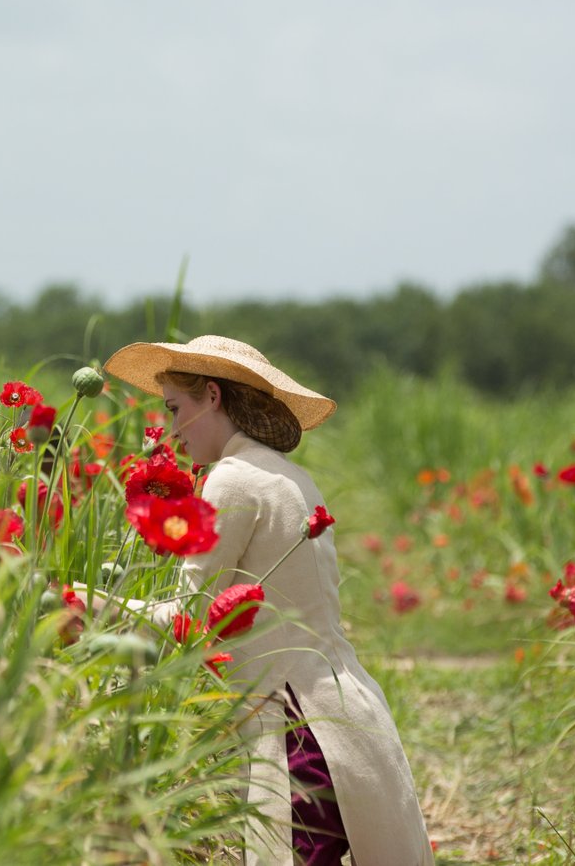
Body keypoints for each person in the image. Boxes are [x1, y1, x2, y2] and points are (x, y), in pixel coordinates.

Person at [90, 335, 433, 866]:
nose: (170, 431)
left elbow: (189, 616)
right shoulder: (292, 475)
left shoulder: (231, 479)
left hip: (299, 724)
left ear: (212, 396)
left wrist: (87, 605)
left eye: (174, 409)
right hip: (351, 710)